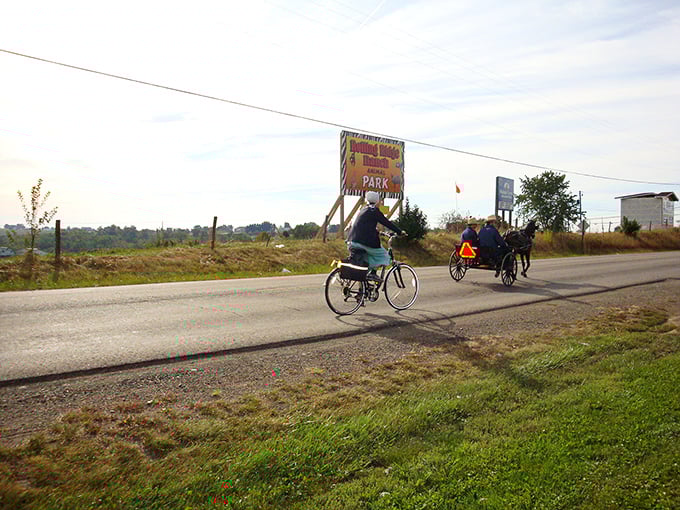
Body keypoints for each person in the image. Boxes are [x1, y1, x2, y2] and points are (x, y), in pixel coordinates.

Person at [347, 191, 406, 280]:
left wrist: (376, 231)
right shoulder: (374, 210)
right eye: (380, 200)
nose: (381, 202)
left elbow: (363, 226)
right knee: (385, 256)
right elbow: (386, 222)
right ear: (377, 201)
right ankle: (373, 273)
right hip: (364, 242)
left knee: (367, 261)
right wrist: (399, 232)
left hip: (352, 241)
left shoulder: (363, 209)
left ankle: (362, 289)